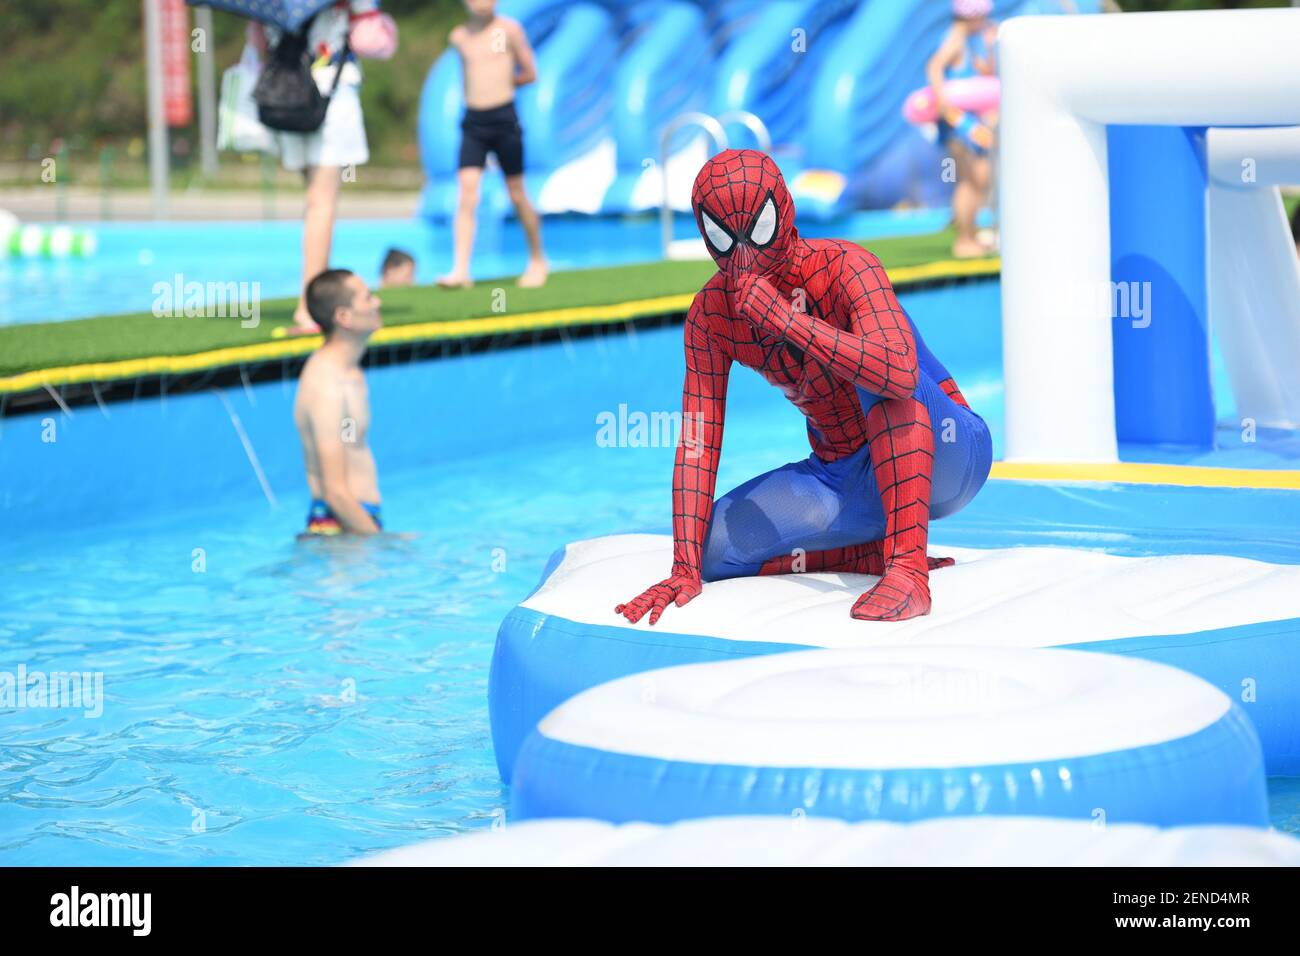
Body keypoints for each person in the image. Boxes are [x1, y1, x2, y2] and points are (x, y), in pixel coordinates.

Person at [616, 150, 992, 625]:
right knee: (714, 546)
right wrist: (683, 568)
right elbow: (697, 442)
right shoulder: (712, 315)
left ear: (784, 213)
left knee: (883, 384)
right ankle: (867, 554)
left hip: (950, 452)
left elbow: (898, 373)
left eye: (758, 230)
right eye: (722, 238)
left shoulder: (847, 267)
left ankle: (908, 570)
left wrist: (786, 321)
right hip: (845, 475)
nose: (744, 256)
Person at [249, 2, 398, 332]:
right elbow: (370, 40)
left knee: (313, 203)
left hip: (285, 94)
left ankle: (309, 299)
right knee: (322, 203)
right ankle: (309, 308)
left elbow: (258, 41)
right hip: (330, 92)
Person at [438, 0, 548, 289]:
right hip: (473, 122)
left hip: (504, 119)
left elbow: (530, 72)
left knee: (516, 193)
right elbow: (466, 78)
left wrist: (505, 83)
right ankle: (461, 269)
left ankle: (537, 259)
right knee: (467, 194)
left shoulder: (509, 29)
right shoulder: (459, 37)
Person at [294, 269, 385, 536]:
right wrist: (385, 545)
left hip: (356, 523)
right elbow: (335, 493)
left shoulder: (349, 370)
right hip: (341, 528)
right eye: (368, 298)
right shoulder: (327, 387)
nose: (377, 302)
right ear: (344, 316)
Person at [927, 0, 998, 259]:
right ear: (973, 16)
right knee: (969, 180)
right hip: (957, 123)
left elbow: (986, 73)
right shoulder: (956, 38)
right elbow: (934, 66)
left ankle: (969, 230)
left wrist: (990, 47)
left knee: (980, 177)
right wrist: (943, 104)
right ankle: (964, 240)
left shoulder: (971, 40)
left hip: (970, 124)